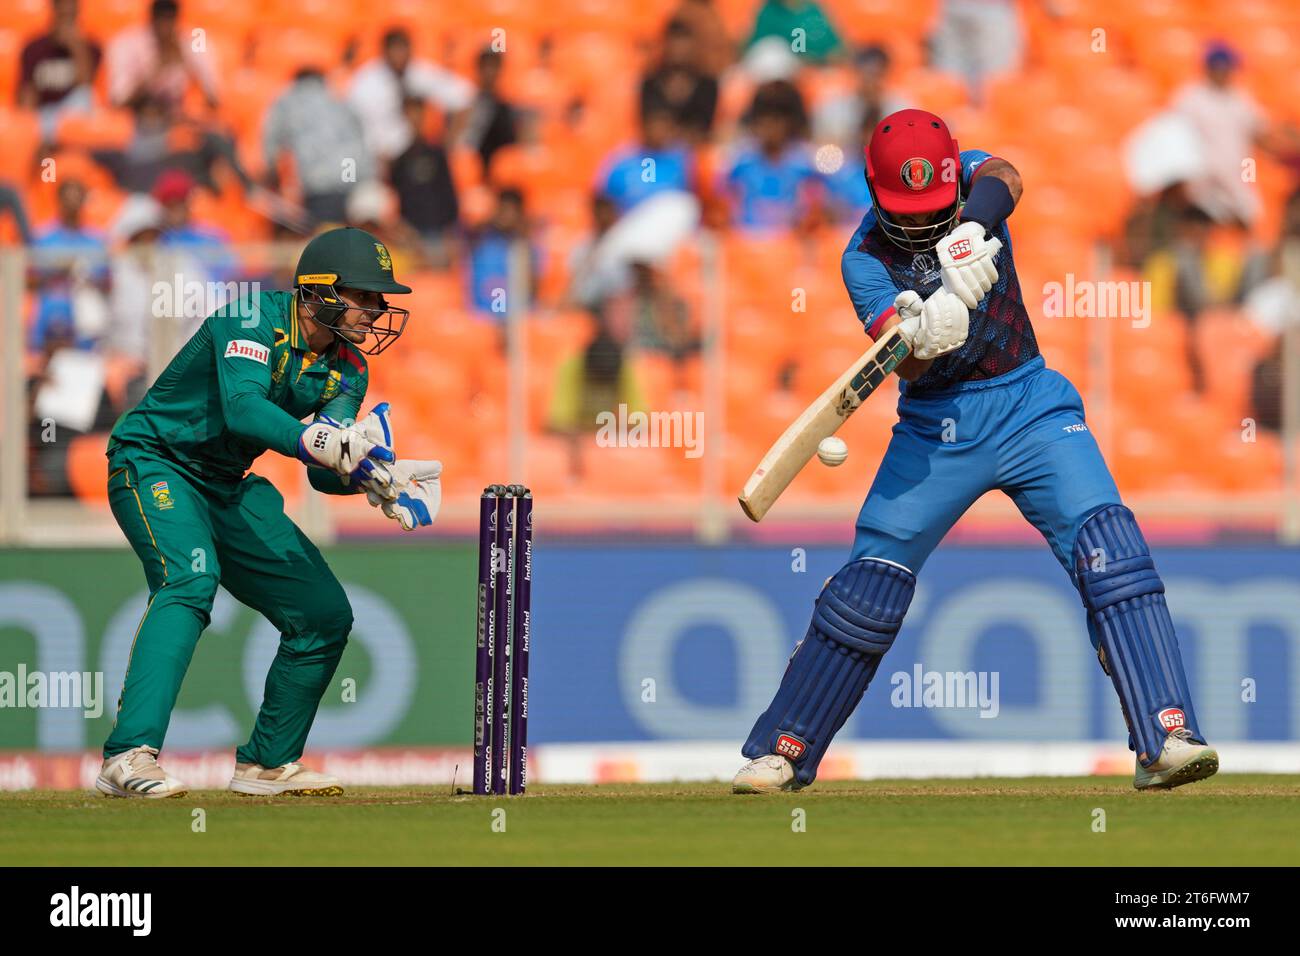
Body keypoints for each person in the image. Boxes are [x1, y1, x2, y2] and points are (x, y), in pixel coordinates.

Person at [733, 109, 1218, 795]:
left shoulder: (971, 185)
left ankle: (1166, 735)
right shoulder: (863, 261)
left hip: (1031, 404)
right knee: (866, 591)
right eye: (911, 214)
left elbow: (1006, 176)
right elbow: (906, 371)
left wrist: (969, 230)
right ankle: (783, 750)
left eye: (937, 209)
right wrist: (928, 327)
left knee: (1114, 552)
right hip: (937, 429)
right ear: (874, 195)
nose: (923, 224)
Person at [95, 227, 443, 799]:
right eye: (366, 295)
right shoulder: (252, 317)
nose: (378, 310)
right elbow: (245, 413)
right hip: (155, 460)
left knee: (323, 612)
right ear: (319, 292)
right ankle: (127, 756)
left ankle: (266, 764)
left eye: (381, 298)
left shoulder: (350, 369)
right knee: (190, 578)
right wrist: (325, 446)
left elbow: (318, 466)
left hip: (226, 484)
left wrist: (371, 478)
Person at [263, 68, 374, 225]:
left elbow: (271, 142)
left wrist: (271, 172)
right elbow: (361, 140)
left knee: (326, 238)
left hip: (319, 185)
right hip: (351, 179)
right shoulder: (340, 99)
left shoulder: (288, 101)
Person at [348, 27, 474, 164]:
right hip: (379, 155)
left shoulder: (420, 72)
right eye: (394, 49)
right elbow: (355, 124)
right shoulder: (366, 82)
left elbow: (463, 96)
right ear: (384, 51)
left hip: (418, 154)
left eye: (403, 48)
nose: (399, 55)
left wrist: (449, 143)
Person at [723, 80, 822, 232]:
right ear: (755, 123)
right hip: (746, 241)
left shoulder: (805, 165)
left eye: (776, 120)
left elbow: (814, 210)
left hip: (792, 242)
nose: (770, 127)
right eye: (764, 121)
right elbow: (727, 206)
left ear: (789, 123)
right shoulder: (740, 163)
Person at [17, 0, 102, 140]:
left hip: (75, 114)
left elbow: (87, 83)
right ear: (54, 13)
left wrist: (77, 48)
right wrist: (27, 124)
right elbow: (27, 92)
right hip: (43, 114)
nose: (66, 24)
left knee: (83, 96)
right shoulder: (34, 48)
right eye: (63, 17)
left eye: (71, 17)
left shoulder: (91, 48)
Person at [598, 108, 693, 214]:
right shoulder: (621, 161)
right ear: (644, 125)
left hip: (674, 224)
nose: (659, 131)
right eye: (655, 125)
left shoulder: (683, 160)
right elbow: (602, 202)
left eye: (664, 126)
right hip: (631, 224)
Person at [640, 18, 719, 142]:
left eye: (684, 43)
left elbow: (704, 128)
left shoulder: (707, 84)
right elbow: (651, 127)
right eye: (675, 42)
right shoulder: (651, 82)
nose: (679, 49)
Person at [459, 49, 518, 173]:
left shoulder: (504, 108)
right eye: (485, 66)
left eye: (493, 66)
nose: (489, 71)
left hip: (493, 169)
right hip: (466, 166)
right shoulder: (465, 101)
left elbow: (508, 144)